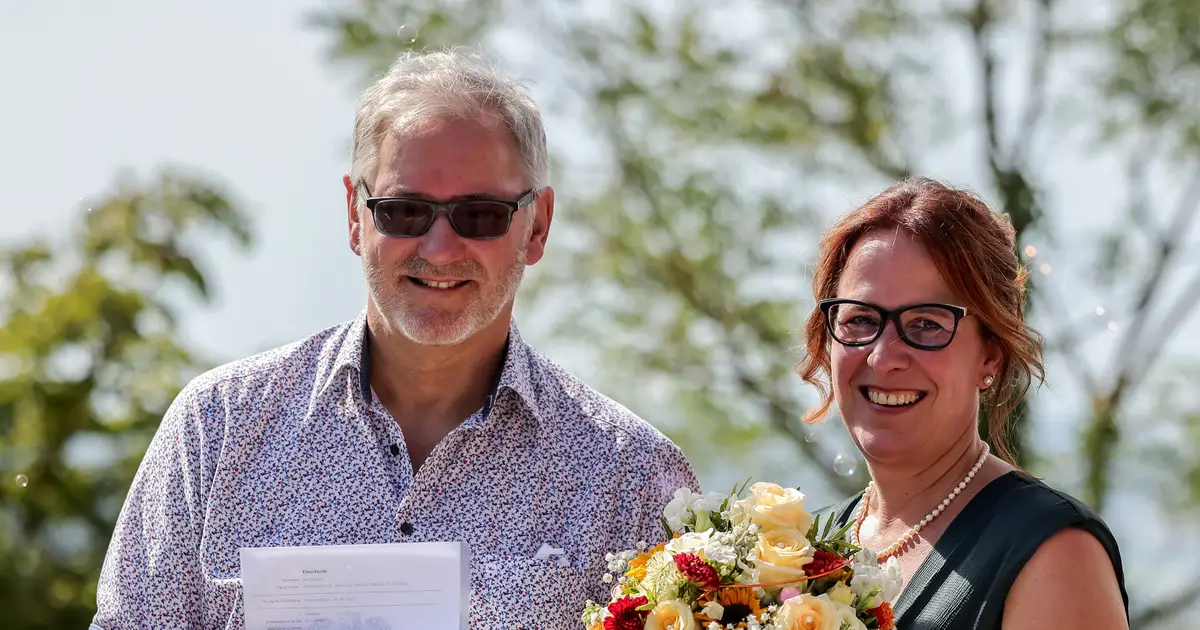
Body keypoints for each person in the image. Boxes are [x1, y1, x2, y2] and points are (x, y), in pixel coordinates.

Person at [90, 48, 697, 630]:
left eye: (480, 214)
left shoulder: (632, 476)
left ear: (536, 226)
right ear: (355, 215)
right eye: (405, 212)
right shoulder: (217, 428)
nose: (439, 248)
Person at [798, 178, 1129, 629]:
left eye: (927, 324)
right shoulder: (802, 544)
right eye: (860, 319)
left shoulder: (1053, 551)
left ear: (990, 353)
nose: (884, 356)